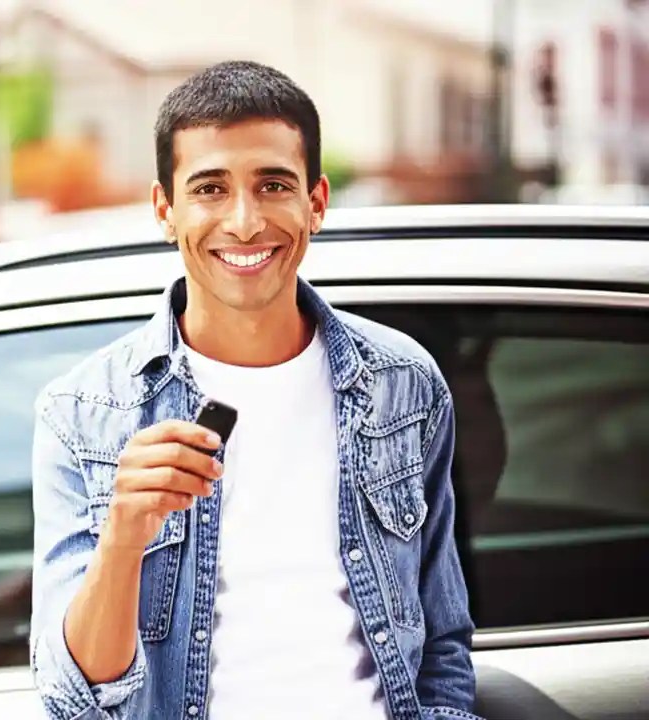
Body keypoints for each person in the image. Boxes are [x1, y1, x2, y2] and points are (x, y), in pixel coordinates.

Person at [29, 61, 481, 720]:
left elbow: (441, 642)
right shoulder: (84, 415)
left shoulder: (402, 384)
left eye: (273, 185)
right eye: (210, 189)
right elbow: (77, 699)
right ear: (165, 209)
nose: (244, 222)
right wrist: (125, 535)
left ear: (316, 202)